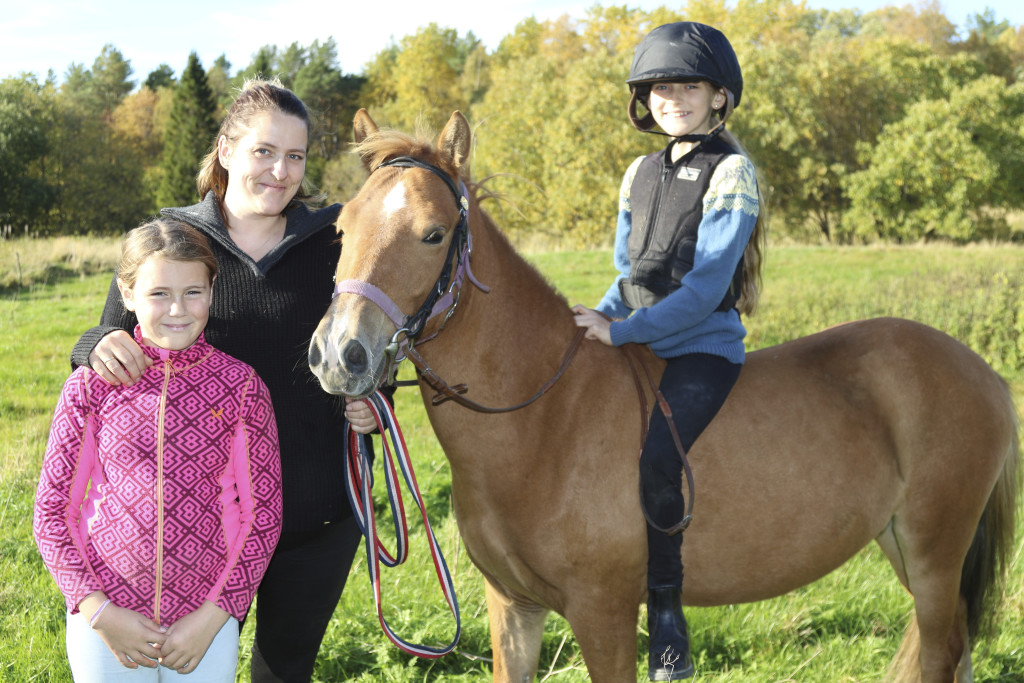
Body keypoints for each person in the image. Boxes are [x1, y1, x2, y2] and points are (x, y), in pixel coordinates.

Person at [68, 78, 380, 682]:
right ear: (228, 149)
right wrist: (91, 344)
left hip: (315, 515)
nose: (280, 171)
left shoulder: (336, 242)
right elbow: (112, 341)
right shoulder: (175, 238)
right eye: (264, 151)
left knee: (283, 671)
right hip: (200, 527)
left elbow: (367, 340)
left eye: (296, 156)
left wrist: (373, 398)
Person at [572, 22, 766, 681]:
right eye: (659, 87)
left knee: (658, 455)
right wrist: (598, 315)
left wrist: (624, 332)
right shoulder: (639, 171)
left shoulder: (732, 172)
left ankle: (666, 616)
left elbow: (707, 284)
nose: (671, 97)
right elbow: (629, 270)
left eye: (687, 85)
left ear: (718, 97)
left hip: (700, 348)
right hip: (640, 337)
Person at [35, 219, 283, 681]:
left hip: (203, 624)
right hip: (107, 620)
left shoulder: (242, 387)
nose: (177, 309)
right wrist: (100, 612)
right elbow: (51, 513)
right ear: (127, 294)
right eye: (158, 293)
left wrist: (213, 617)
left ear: (212, 291)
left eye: (193, 292)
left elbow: (262, 517)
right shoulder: (91, 386)